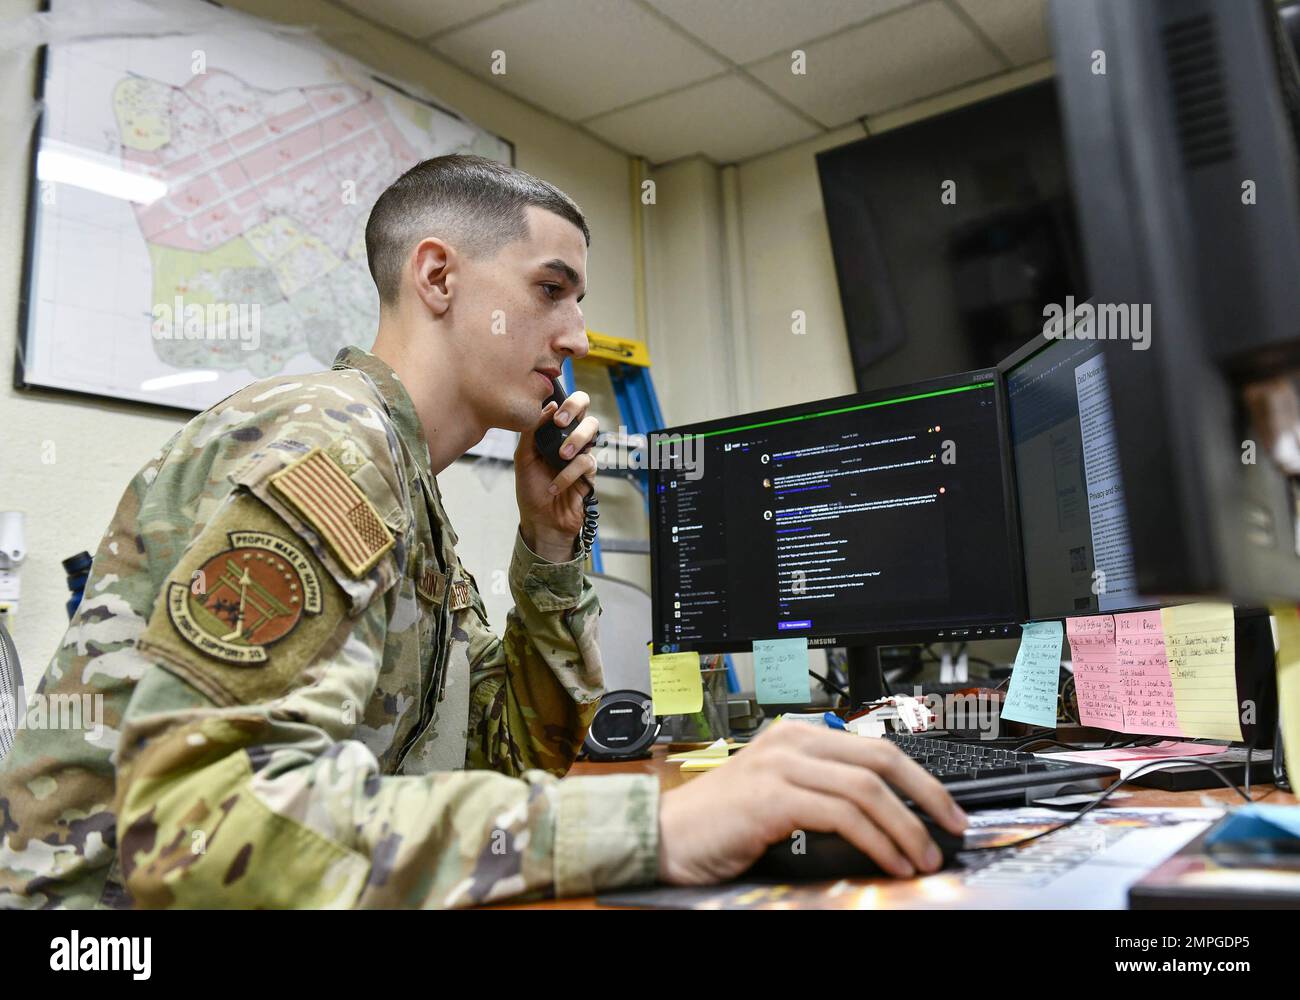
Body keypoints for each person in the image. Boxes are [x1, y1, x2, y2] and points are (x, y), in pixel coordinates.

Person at [0, 154, 965, 909]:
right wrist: (656, 823)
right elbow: (205, 832)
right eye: (553, 289)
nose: (579, 333)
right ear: (437, 277)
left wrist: (548, 547)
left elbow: (506, 758)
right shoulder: (329, 444)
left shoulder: (407, 487)